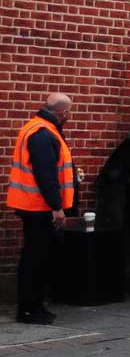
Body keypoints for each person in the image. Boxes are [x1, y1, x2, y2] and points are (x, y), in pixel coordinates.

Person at [6, 93, 75, 324]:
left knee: (34, 256)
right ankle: (30, 309)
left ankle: (31, 306)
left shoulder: (37, 127)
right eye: (69, 112)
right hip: (38, 207)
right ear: (62, 112)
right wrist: (57, 207)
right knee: (36, 258)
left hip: (32, 204)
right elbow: (46, 175)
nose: (69, 116)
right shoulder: (43, 133)